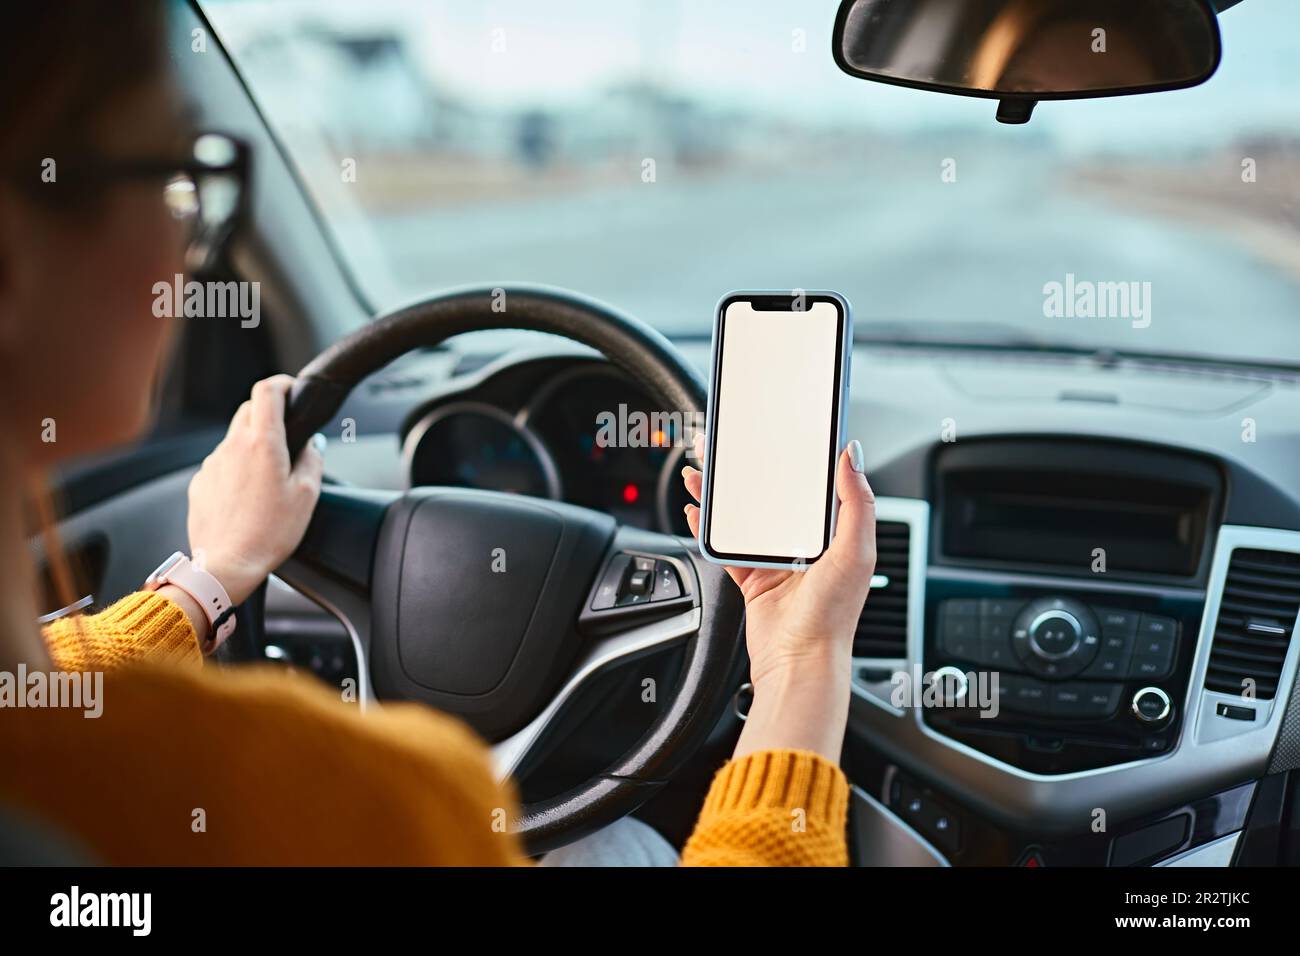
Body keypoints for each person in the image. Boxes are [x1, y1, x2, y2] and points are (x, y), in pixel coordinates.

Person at [0, 2, 877, 866]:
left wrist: (215, 572)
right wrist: (802, 657)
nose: (185, 236)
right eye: (176, 175)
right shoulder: (362, 798)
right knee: (617, 844)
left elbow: (54, 688)